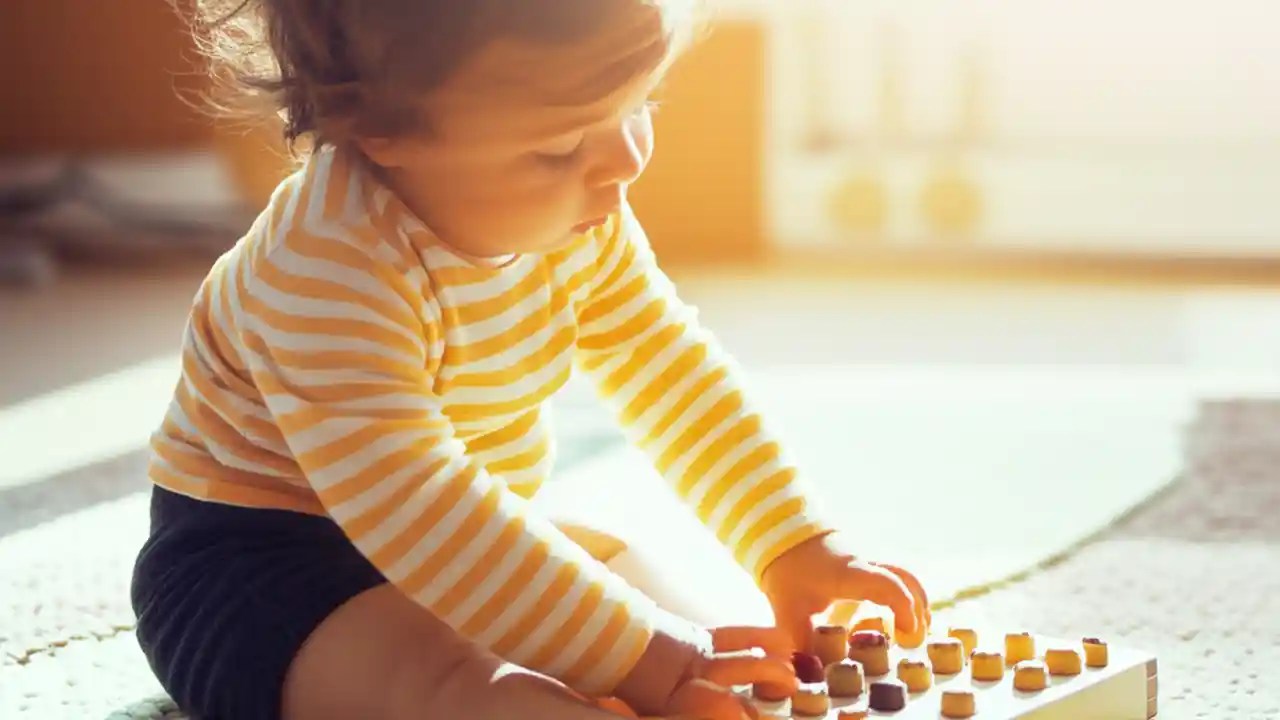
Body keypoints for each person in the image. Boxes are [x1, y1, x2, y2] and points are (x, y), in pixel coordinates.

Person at [130, 1, 931, 718]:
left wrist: (788, 540)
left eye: (638, 105)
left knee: (635, 577)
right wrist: (651, 657)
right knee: (459, 686)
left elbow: (669, 370)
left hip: (453, 538)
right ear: (387, 131)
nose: (625, 162)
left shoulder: (582, 219)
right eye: (561, 146)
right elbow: (421, 507)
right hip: (264, 582)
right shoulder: (327, 268)